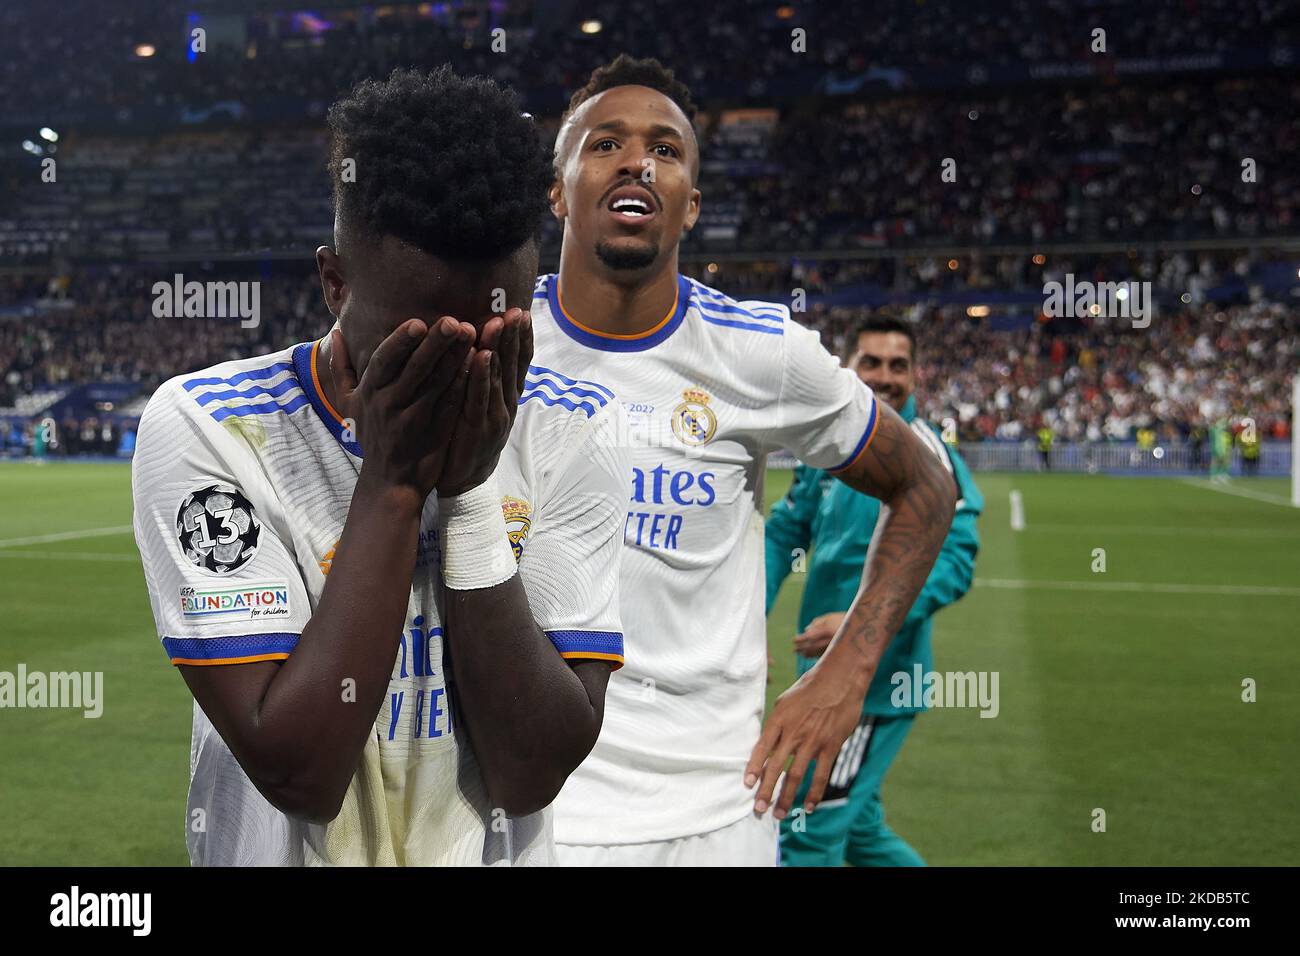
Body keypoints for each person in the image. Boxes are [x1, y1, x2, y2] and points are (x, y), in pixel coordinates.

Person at [132, 67, 629, 866]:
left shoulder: (575, 428)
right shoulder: (211, 427)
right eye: (419, 344)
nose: (459, 369)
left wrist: (467, 494)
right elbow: (299, 771)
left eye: (491, 336)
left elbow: (530, 771)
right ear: (334, 282)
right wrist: (395, 485)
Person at [542, 56, 956, 865]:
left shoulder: (761, 355)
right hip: (528, 809)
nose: (638, 162)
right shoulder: (497, 349)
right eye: (605, 144)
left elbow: (925, 485)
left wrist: (847, 674)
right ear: (557, 189)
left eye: (666, 150)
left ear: (690, 205)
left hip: (713, 817)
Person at [766, 318, 982, 866]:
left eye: (897, 366)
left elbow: (955, 562)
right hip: (819, 675)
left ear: (915, 376)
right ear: (849, 367)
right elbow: (785, 531)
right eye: (871, 363)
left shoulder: (932, 460)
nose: (883, 377)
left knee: (804, 835)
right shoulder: (835, 449)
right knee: (861, 836)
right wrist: (744, 619)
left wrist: (859, 621)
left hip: (875, 685)